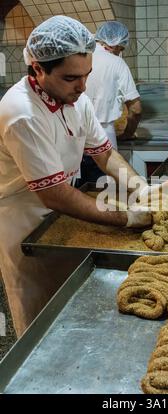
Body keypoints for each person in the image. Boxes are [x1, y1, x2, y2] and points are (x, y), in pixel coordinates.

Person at [0, 16, 151, 338]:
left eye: (86, 76)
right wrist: (127, 218)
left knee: (70, 298)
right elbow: (53, 193)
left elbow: (105, 154)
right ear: (38, 69)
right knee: (39, 304)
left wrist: (141, 187)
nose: (83, 87)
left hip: (61, 210)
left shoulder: (75, 100)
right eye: (71, 78)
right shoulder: (23, 114)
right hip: (22, 217)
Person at [78, 20, 142, 185]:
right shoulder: (117, 63)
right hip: (103, 138)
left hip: (74, 139)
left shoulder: (79, 57)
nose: (120, 52)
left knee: (81, 193)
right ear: (116, 45)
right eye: (121, 49)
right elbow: (135, 109)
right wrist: (128, 133)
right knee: (106, 195)